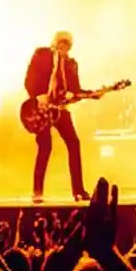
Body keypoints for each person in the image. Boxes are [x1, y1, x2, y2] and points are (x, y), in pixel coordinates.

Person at [24, 31, 94, 203]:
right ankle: (37, 191)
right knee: (45, 147)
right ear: (55, 42)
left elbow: (75, 89)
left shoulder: (71, 64)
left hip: (60, 110)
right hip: (42, 109)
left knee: (74, 143)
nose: (64, 47)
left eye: (68, 44)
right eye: (62, 43)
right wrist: (38, 96)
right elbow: (29, 79)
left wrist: (92, 94)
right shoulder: (41, 54)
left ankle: (78, 190)